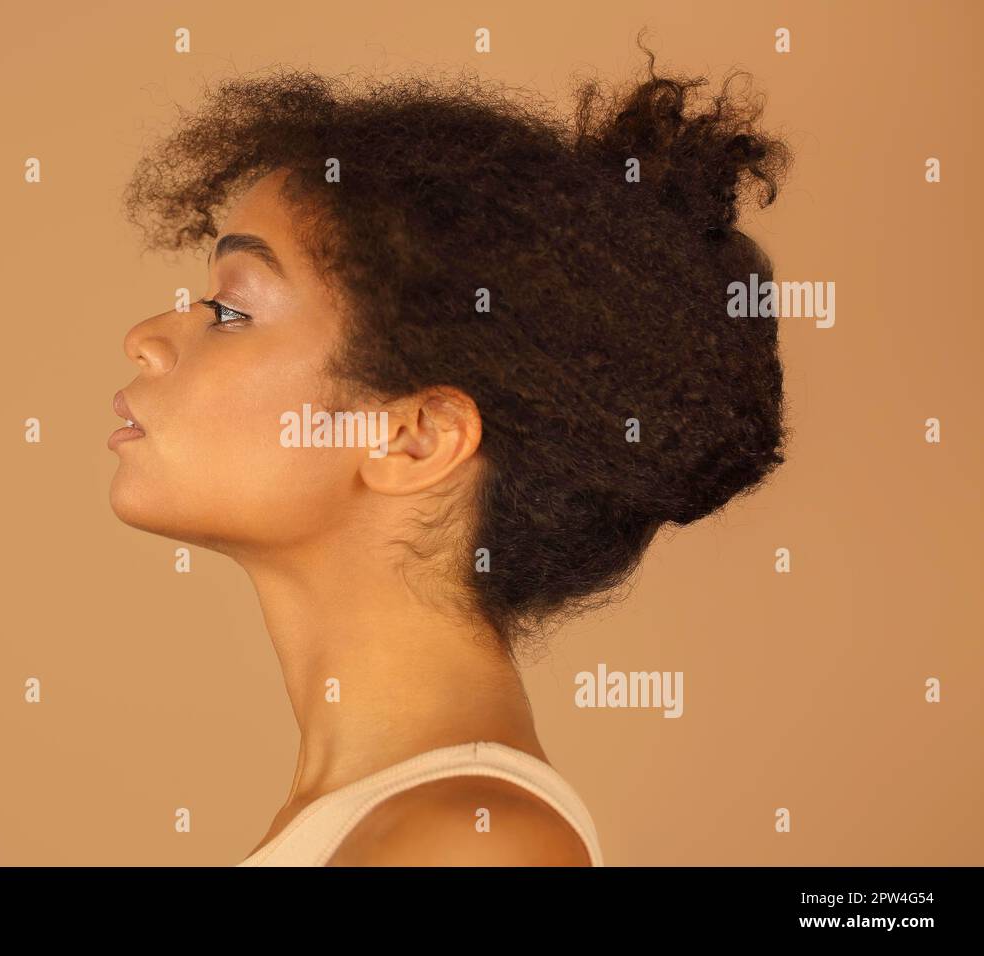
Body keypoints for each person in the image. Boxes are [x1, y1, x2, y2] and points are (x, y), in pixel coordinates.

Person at [109, 55, 791, 865]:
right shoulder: (372, 823)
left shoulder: (471, 844)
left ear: (417, 436)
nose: (145, 340)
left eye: (229, 308)